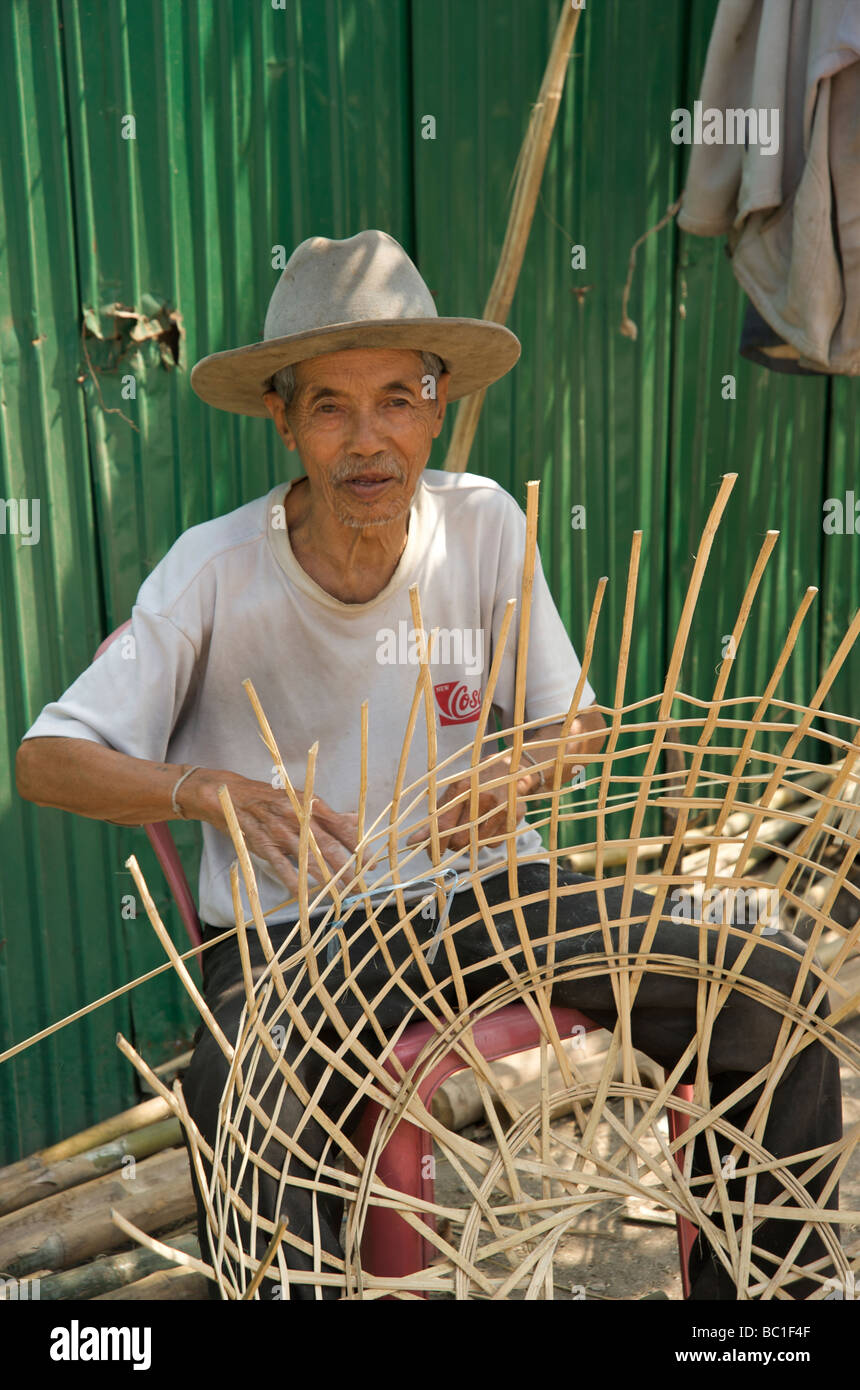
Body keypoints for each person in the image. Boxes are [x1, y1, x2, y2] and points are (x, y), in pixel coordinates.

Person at [16, 230, 840, 1301]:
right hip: (298, 936)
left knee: (766, 986)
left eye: (396, 400)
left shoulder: (482, 523)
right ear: (283, 417)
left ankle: (759, 1316)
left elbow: (572, 726)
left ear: (435, 404)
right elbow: (46, 759)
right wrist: (205, 788)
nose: (368, 440)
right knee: (245, 1092)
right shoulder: (212, 573)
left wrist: (518, 778)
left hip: (491, 896)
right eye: (329, 406)